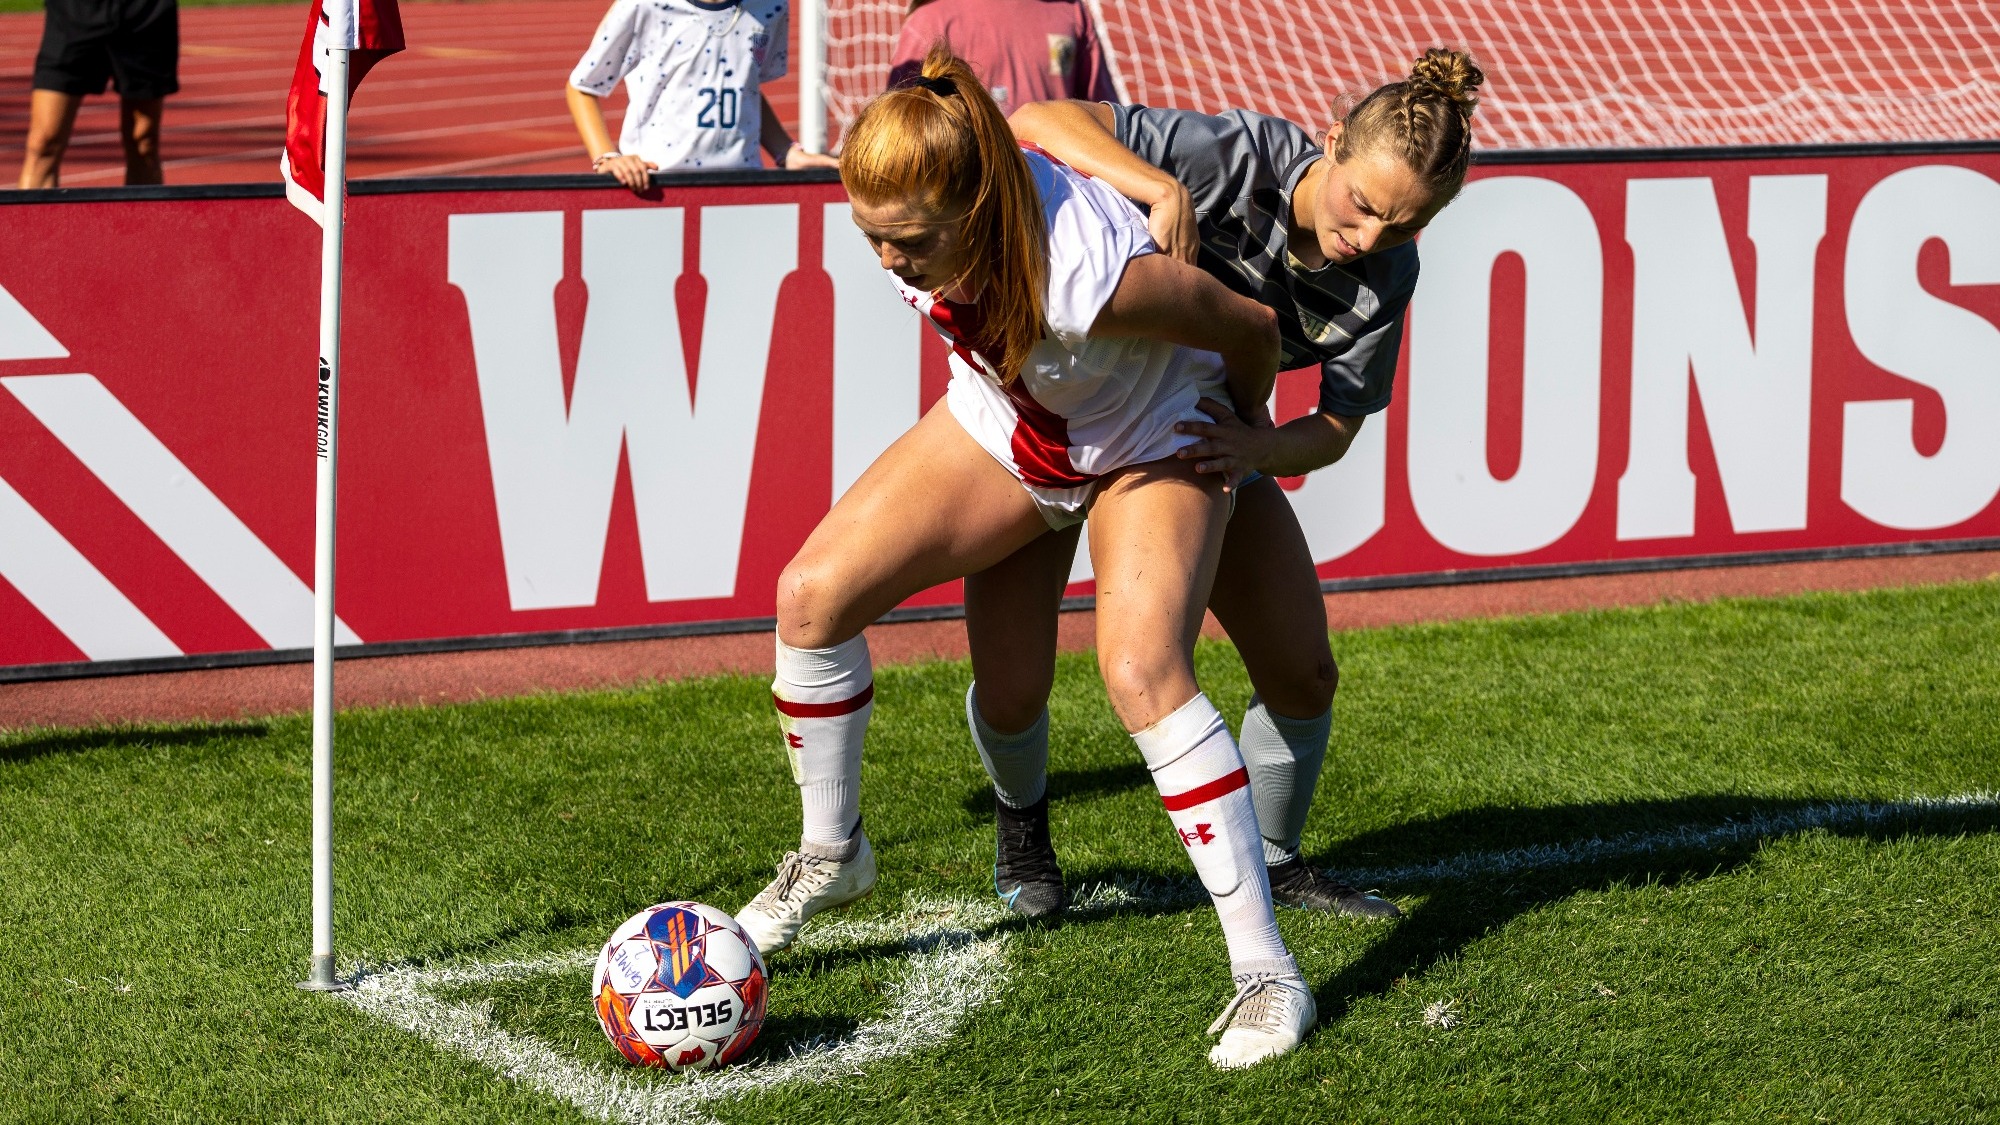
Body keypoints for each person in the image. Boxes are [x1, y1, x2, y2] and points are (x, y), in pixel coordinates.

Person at [733, 46, 1316, 1068]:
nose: (885, 263)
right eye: (868, 236)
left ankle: (1266, 971)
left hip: (1150, 437)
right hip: (1016, 427)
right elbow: (1034, 116)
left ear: (972, 209)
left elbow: (1249, 325)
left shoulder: (1091, 280)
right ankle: (834, 852)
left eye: (905, 242)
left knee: (1139, 672)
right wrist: (1145, 180)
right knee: (817, 602)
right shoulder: (966, 166)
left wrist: (1247, 434)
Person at [967, 50, 1485, 919]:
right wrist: (1162, 191)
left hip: (1190, 445)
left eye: (1402, 226)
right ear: (1331, 144)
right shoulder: (1235, 156)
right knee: (1014, 681)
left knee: (1304, 673)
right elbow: (1036, 121)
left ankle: (1277, 862)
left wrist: (1255, 447)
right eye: (1361, 205)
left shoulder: (1388, 276)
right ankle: (1022, 834)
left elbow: (1337, 426)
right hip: (1074, 412)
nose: (1367, 240)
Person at [565, 0, 837, 193]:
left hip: (744, 187)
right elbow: (583, 86)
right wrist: (607, 157)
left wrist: (784, 151)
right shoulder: (643, 5)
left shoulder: (770, 6)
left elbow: (746, 88)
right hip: (657, 187)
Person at [19, 0, 178, 188]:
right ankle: (31, 218)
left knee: (144, 142)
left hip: (143, 12)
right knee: (43, 143)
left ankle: (142, 217)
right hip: (73, 12)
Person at [886, 0, 1116, 115]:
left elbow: (1104, 110)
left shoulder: (1071, 11)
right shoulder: (932, 18)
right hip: (974, 187)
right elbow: (902, 120)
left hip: (1059, 187)